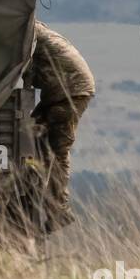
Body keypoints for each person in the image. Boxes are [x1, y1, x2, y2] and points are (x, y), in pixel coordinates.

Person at [26, 19, 95, 218]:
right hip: (64, 92)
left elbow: (22, 70)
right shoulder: (36, 30)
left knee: (57, 149)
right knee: (30, 136)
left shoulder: (28, 34)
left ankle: (58, 208)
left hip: (69, 93)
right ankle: (37, 195)